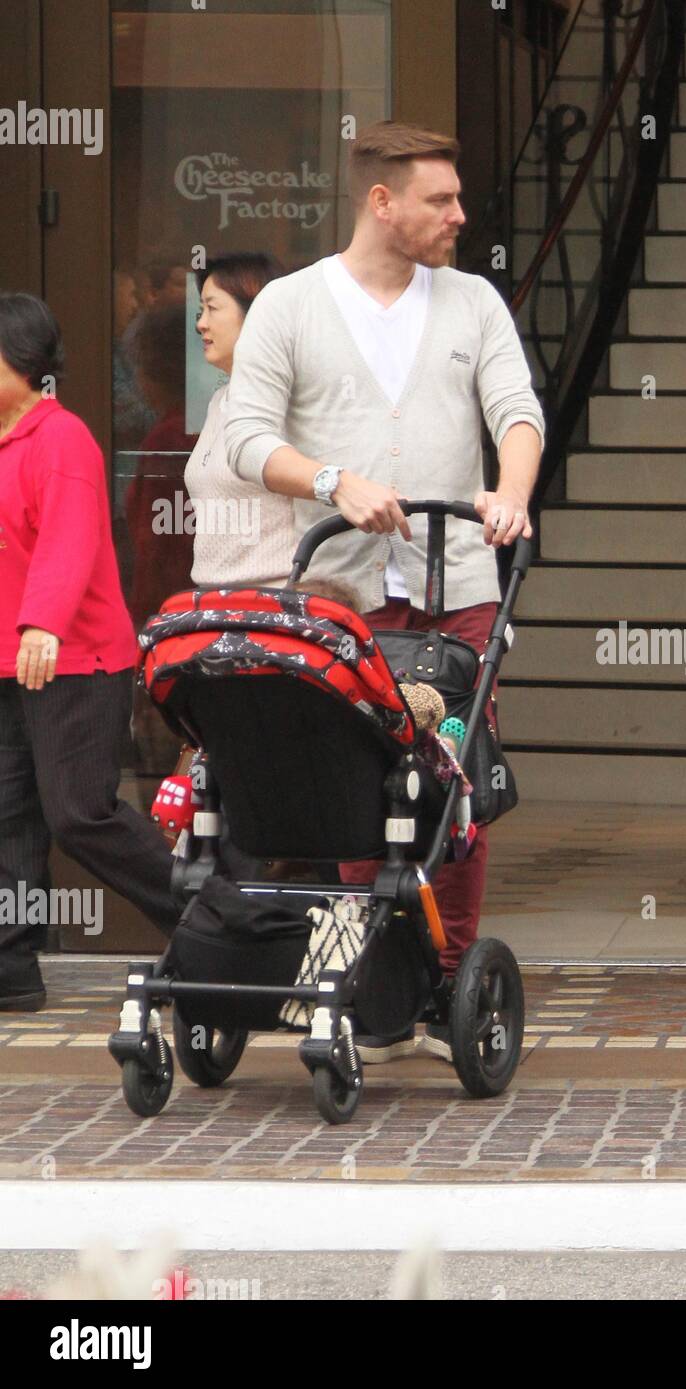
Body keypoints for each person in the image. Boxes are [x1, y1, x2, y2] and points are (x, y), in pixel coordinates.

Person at [224, 120, 544, 1061]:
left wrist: (511, 495)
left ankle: (446, 983)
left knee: (455, 786)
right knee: (353, 790)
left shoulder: (474, 302)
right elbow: (245, 437)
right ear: (382, 202)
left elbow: (516, 411)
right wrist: (334, 483)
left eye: (457, 197)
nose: (459, 214)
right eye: (440, 199)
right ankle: (376, 978)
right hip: (344, 591)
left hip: (461, 590)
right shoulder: (288, 306)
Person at [0, 293, 179, 1012]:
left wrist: (42, 621)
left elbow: (70, 538)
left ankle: (209, 924)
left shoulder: (61, 437)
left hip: (76, 659)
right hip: (11, 661)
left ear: (19, 361)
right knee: (7, 811)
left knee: (81, 812)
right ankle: (11, 962)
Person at [187, 253, 295, 587]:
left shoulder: (291, 402)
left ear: (256, 314)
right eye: (201, 310)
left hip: (276, 603)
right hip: (217, 602)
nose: (201, 323)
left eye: (213, 308)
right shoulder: (220, 400)